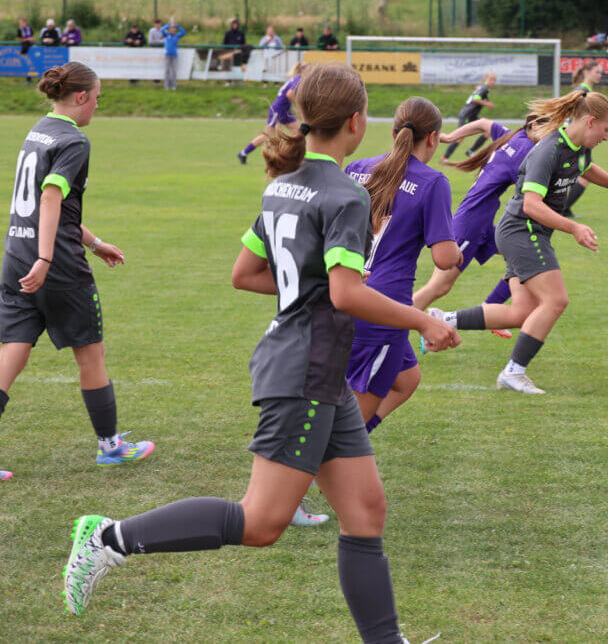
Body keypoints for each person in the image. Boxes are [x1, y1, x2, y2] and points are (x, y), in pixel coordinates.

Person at [61, 65, 460, 644]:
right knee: (260, 522)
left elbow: (245, 274)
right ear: (355, 120)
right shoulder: (346, 193)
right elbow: (346, 293)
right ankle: (107, 539)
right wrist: (424, 318)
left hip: (311, 368)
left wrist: (308, 282)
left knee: (365, 511)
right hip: (305, 370)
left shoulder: (283, 181)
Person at [0, 62, 153, 481]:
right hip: (54, 264)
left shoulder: (39, 130)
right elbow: (48, 199)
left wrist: (95, 244)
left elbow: (53, 208)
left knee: (13, 350)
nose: (97, 106)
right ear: (81, 98)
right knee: (90, 352)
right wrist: (46, 260)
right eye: (97, 98)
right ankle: (111, 447)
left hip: (16, 253)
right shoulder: (75, 140)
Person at [428, 90, 608, 394]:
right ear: (590, 121)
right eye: (606, 130)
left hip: (527, 231)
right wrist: (573, 227)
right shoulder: (549, 150)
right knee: (556, 300)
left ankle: (444, 318)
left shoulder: (579, 147)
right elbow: (531, 205)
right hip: (522, 229)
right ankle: (514, 371)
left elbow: (586, 168)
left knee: (521, 314)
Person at [343, 98, 459, 434]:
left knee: (407, 379)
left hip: (342, 294)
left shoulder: (357, 168)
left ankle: (349, 449)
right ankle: (336, 458)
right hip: (382, 312)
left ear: (394, 132)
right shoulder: (432, 182)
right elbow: (444, 258)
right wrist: (456, 249)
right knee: (344, 429)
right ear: (434, 139)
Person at [413, 114, 543, 319]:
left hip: (481, 223)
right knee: (437, 288)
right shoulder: (525, 150)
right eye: (550, 132)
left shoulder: (512, 137)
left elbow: (483, 124)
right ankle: (388, 327)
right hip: (470, 225)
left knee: (528, 256)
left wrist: (450, 136)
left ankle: (490, 310)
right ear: (534, 126)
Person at [563, 60, 608, 218]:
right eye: (597, 72)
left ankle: (563, 207)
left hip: (585, 134)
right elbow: (572, 113)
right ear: (587, 72)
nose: (600, 75)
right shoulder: (583, 90)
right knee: (584, 173)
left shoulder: (586, 90)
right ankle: (562, 208)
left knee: (583, 172)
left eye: (601, 72)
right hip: (583, 136)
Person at [238, 62, 309, 164]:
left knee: (298, 132)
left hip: (284, 110)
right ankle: (243, 153)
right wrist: (298, 106)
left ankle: (296, 156)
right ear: (302, 71)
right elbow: (290, 94)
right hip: (278, 109)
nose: (311, 72)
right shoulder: (299, 79)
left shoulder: (298, 79)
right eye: (309, 70)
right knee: (267, 135)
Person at [440, 72, 497, 163]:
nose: (493, 82)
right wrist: (487, 104)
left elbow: (478, 93)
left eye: (494, 80)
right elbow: (475, 99)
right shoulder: (484, 88)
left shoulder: (483, 88)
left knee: (488, 130)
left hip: (472, 116)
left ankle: (471, 151)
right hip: (467, 115)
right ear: (486, 79)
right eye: (491, 79)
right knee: (459, 137)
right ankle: (444, 158)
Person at [162, 20, 186, 90]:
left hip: (174, 55)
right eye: (171, 29)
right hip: (167, 55)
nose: (172, 30)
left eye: (173, 29)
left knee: (173, 71)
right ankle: (166, 85)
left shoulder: (177, 36)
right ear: (169, 30)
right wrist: (168, 24)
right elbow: (162, 30)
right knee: (167, 70)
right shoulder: (167, 35)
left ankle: (174, 85)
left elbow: (184, 32)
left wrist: (177, 26)